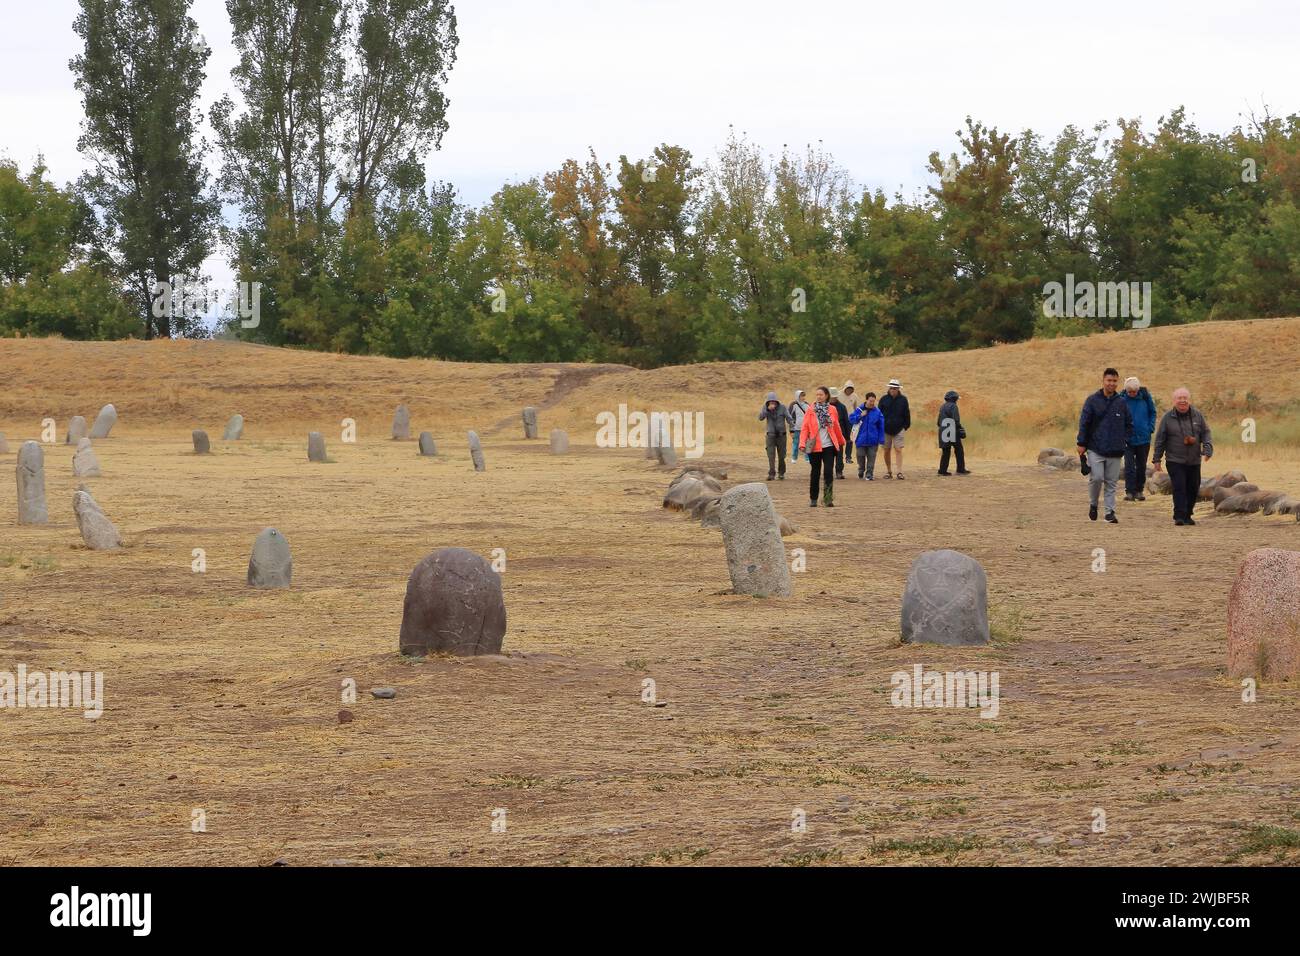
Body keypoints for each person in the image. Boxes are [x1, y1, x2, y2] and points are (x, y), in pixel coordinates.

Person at [1076, 367, 1133, 523]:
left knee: (1111, 482)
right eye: (1109, 380)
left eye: (1115, 381)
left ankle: (1109, 512)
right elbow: (1084, 423)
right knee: (1097, 478)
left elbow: (1129, 424)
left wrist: (1125, 439)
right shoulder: (1092, 401)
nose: (1112, 384)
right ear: (1103, 381)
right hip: (1096, 448)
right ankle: (1093, 504)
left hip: (1115, 449)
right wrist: (1081, 443)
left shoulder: (1121, 403)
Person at [1151, 387, 1213, 526]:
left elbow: (1206, 433)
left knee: (1193, 487)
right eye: (1179, 398)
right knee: (1179, 487)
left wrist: (1208, 448)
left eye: (1185, 398)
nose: (1182, 401)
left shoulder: (1198, 415)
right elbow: (1160, 440)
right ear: (1174, 401)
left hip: (1194, 460)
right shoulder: (1167, 418)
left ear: (1189, 400)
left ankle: (1188, 514)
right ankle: (1179, 515)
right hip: (1174, 460)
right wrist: (1157, 460)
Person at [798, 386, 845, 507]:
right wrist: (802, 443)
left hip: (829, 446)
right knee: (815, 473)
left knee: (829, 472)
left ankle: (828, 499)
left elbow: (836, 426)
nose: (819, 397)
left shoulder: (832, 409)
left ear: (826, 396)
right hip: (815, 447)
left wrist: (841, 441)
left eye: (821, 395)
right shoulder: (810, 410)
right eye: (817, 395)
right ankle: (813, 499)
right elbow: (805, 428)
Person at [1121, 376, 1157, 502]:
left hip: (1144, 438)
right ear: (1126, 390)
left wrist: (1150, 427)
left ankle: (1139, 490)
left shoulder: (1145, 398)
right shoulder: (1121, 399)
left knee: (1141, 466)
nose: (1132, 394)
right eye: (1129, 392)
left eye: (1134, 392)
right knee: (1129, 466)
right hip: (1127, 439)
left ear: (1138, 390)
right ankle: (1129, 491)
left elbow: (1153, 412)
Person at [878, 378, 911, 479]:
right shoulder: (883, 399)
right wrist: (880, 426)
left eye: (895, 388)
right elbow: (879, 414)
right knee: (886, 450)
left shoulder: (903, 400)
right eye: (891, 388)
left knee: (898, 449)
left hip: (899, 429)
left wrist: (905, 426)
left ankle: (899, 472)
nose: (893, 390)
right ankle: (889, 471)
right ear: (889, 388)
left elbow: (907, 414)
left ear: (898, 389)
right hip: (886, 429)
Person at [849, 391, 885, 479]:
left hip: (873, 440)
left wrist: (881, 439)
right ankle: (861, 469)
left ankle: (869, 474)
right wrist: (860, 416)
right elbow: (851, 419)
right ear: (866, 400)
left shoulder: (877, 412)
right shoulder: (859, 409)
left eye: (873, 401)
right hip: (860, 439)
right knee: (860, 456)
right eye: (870, 401)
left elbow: (881, 426)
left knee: (871, 458)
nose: (872, 403)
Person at [936, 390, 970, 475]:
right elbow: (956, 420)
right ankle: (960, 469)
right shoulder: (954, 406)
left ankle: (942, 471)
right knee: (959, 449)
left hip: (943, 430)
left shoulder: (942, 406)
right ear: (954, 399)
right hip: (952, 430)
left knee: (946, 451)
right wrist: (960, 428)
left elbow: (938, 422)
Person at [758, 391, 788, 481]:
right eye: (770, 402)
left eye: (774, 402)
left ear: (777, 401)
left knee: (782, 455)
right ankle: (771, 474)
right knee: (771, 455)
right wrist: (767, 410)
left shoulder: (782, 408)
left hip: (781, 435)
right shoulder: (765, 408)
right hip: (770, 435)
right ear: (768, 402)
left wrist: (793, 429)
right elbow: (760, 418)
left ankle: (781, 473)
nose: (772, 403)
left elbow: (789, 417)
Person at [828, 387, 852, 479]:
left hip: (839, 434)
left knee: (839, 455)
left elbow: (846, 422)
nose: (833, 398)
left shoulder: (842, 407)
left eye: (834, 397)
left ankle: (839, 472)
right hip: (827, 435)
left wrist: (847, 436)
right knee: (828, 456)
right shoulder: (824, 406)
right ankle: (828, 472)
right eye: (831, 397)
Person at [787, 389, 809, 462]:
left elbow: (810, 415)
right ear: (797, 396)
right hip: (796, 428)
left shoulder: (807, 405)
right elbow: (789, 417)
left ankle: (807, 458)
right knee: (796, 444)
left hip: (805, 428)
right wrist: (791, 430)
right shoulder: (793, 405)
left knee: (806, 443)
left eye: (803, 396)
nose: (803, 397)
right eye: (801, 396)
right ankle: (794, 458)